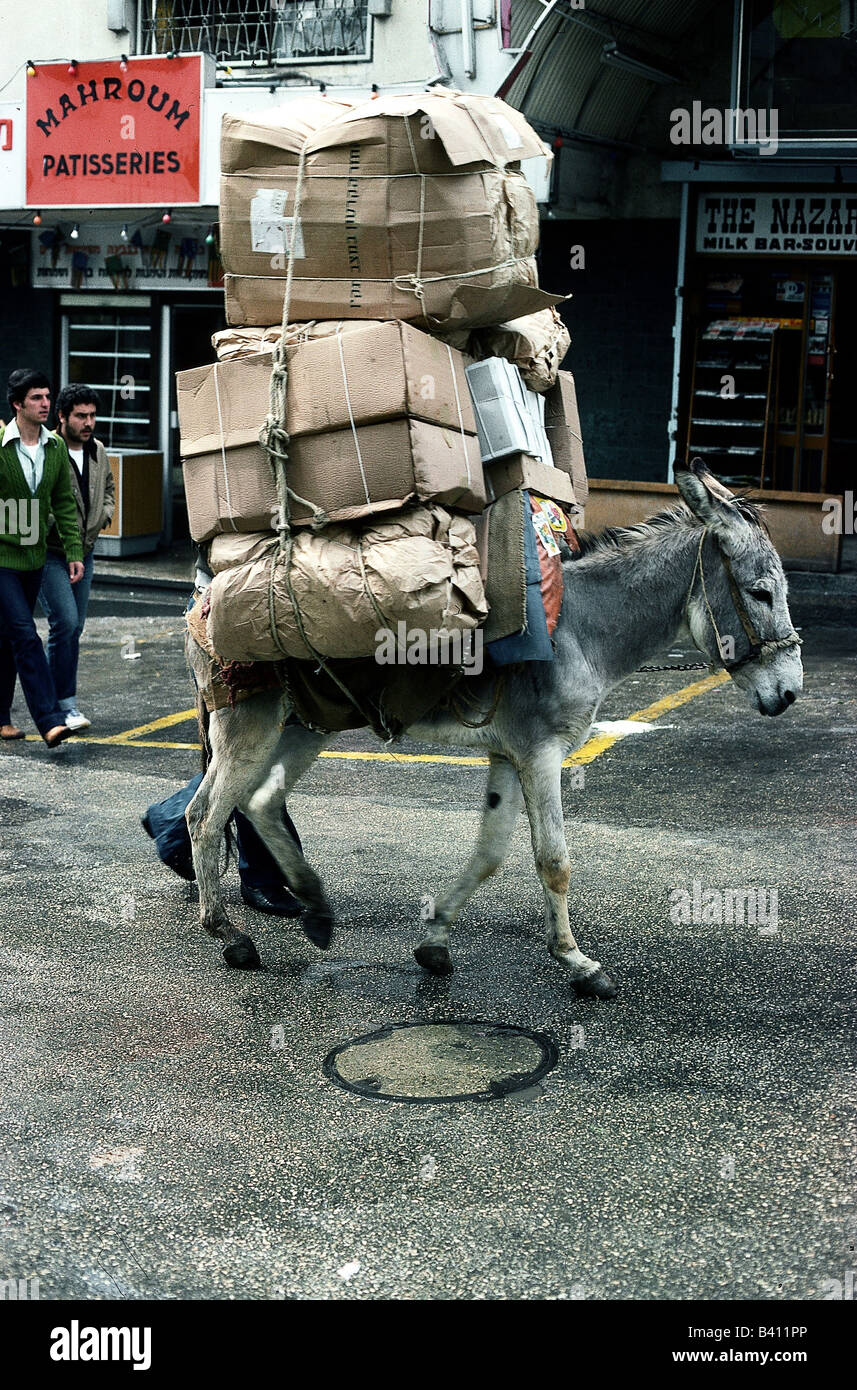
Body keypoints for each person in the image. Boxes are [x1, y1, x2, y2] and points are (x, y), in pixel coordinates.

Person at [141, 546, 303, 917]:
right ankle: (262, 876)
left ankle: (171, 820)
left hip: (276, 604)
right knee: (254, 749)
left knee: (254, 748)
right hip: (232, 612)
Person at [0, 369, 84, 747]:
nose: (46, 403)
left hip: (34, 557)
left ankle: (0, 717)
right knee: (25, 634)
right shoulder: (1, 446)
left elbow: (64, 503)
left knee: (7, 639)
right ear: (18, 403)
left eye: (48, 396)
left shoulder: (54, 447)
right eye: (36, 397)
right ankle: (50, 719)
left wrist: (73, 551)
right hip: (1, 556)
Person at [38, 385, 115, 731]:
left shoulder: (97, 450)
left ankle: (58, 701)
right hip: (51, 553)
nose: (88, 423)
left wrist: (104, 517)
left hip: (86, 550)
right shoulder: (46, 450)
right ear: (62, 417)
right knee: (65, 623)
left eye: (92, 416)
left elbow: (109, 488)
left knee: (74, 627)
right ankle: (62, 706)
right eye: (81, 416)